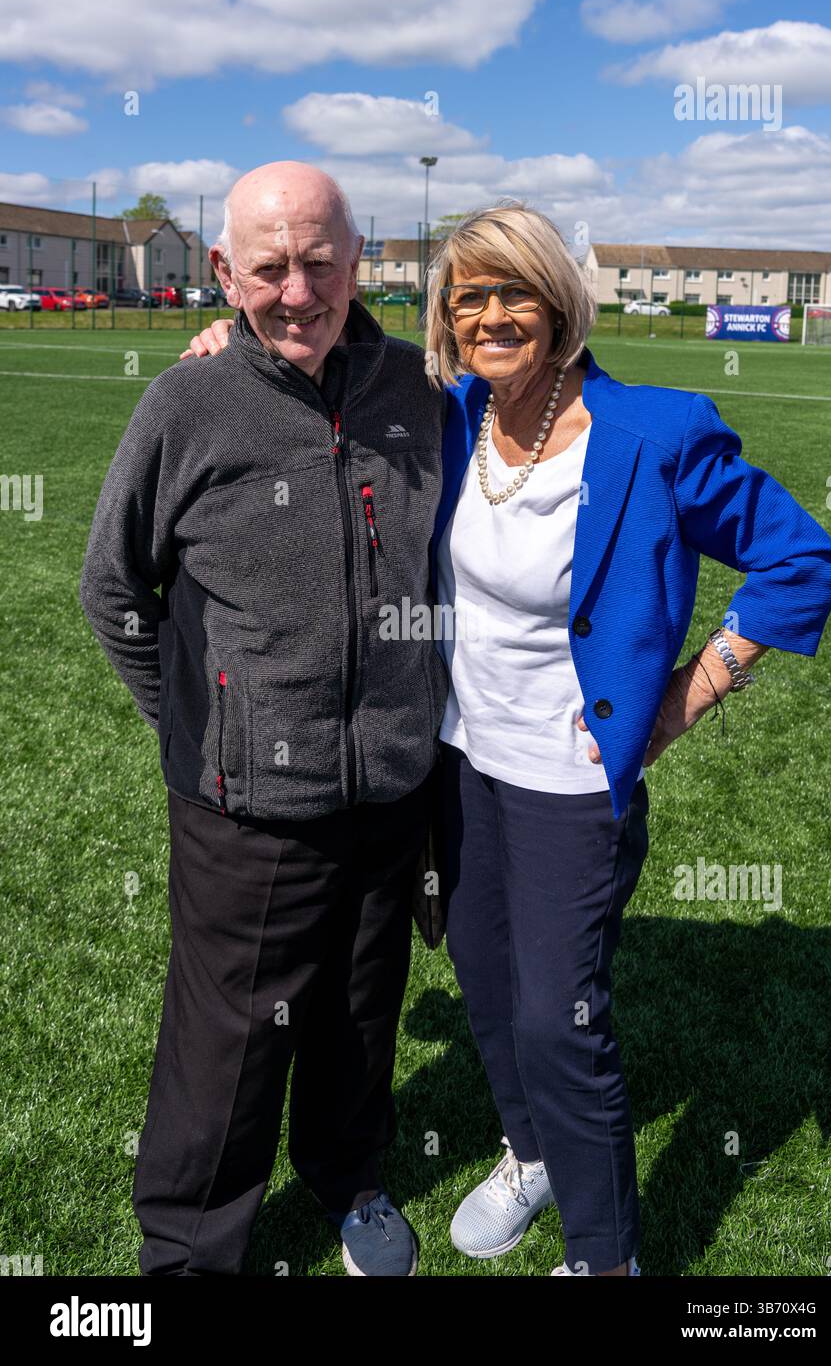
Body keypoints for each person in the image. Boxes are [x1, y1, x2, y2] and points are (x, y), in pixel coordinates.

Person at [181, 201, 831, 1277]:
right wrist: (226, 337)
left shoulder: (653, 435)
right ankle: (530, 1152)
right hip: (455, 763)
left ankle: (604, 1254)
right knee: (485, 982)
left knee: (556, 1019)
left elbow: (799, 560)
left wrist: (683, 698)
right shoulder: (449, 416)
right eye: (466, 296)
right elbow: (313, 343)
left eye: (512, 293)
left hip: (570, 785)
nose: (488, 316)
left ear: (558, 304)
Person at [79, 161, 449, 1277]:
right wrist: (201, 727)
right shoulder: (186, 401)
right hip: (244, 803)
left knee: (357, 1011)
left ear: (360, 260)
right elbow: (112, 589)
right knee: (227, 1043)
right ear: (225, 272)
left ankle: (349, 1176)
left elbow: (548, 361)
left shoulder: (418, 388)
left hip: (390, 785)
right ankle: (192, 1249)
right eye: (270, 268)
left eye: (320, 264)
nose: (297, 292)